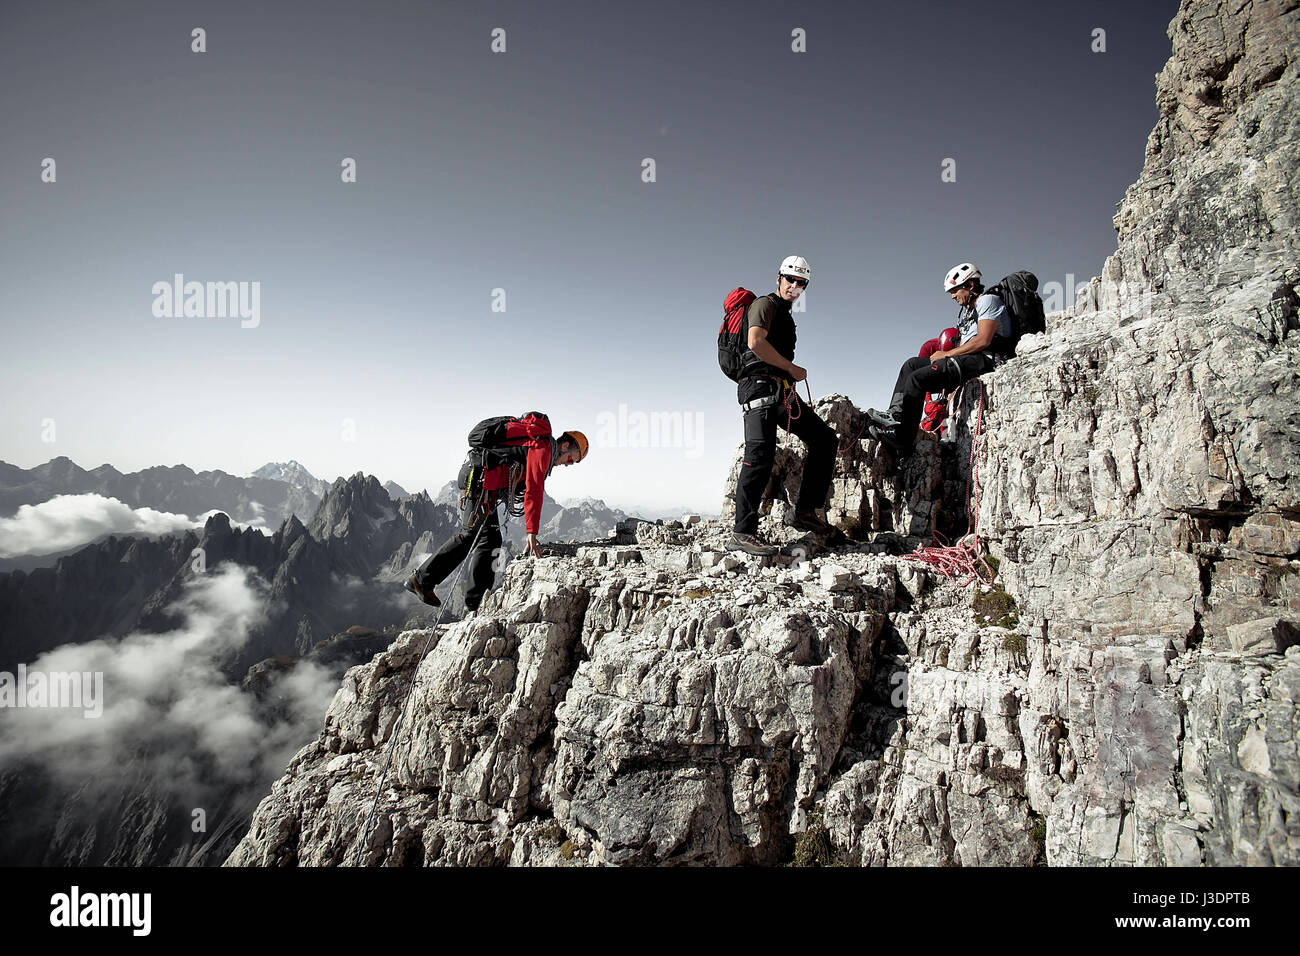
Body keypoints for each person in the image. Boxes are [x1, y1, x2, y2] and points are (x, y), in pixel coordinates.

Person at [405, 415, 588, 610]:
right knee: (469, 535)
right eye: (571, 459)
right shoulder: (543, 448)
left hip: (484, 483)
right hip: (479, 482)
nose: (568, 464)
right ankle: (421, 580)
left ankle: (475, 602)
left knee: (491, 540)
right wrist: (531, 532)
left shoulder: (541, 445)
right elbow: (534, 489)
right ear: (566, 446)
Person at [728, 255, 838, 557]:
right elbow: (755, 342)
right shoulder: (764, 305)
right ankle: (743, 532)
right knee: (760, 454)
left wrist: (787, 374)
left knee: (825, 439)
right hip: (759, 387)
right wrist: (791, 368)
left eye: (801, 282)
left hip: (779, 390)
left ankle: (804, 512)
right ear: (779, 278)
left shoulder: (786, 315)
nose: (795, 286)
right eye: (790, 279)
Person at [865, 263, 1011, 454]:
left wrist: (947, 355)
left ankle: (903, 440)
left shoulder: (988, 301)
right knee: (911, 365)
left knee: (918, 379)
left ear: (971, 286)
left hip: (985, 360)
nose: (953, 296)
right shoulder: (969, 311)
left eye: (955, 290)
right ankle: (896, 414)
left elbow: (983, 340)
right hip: (967, 358)